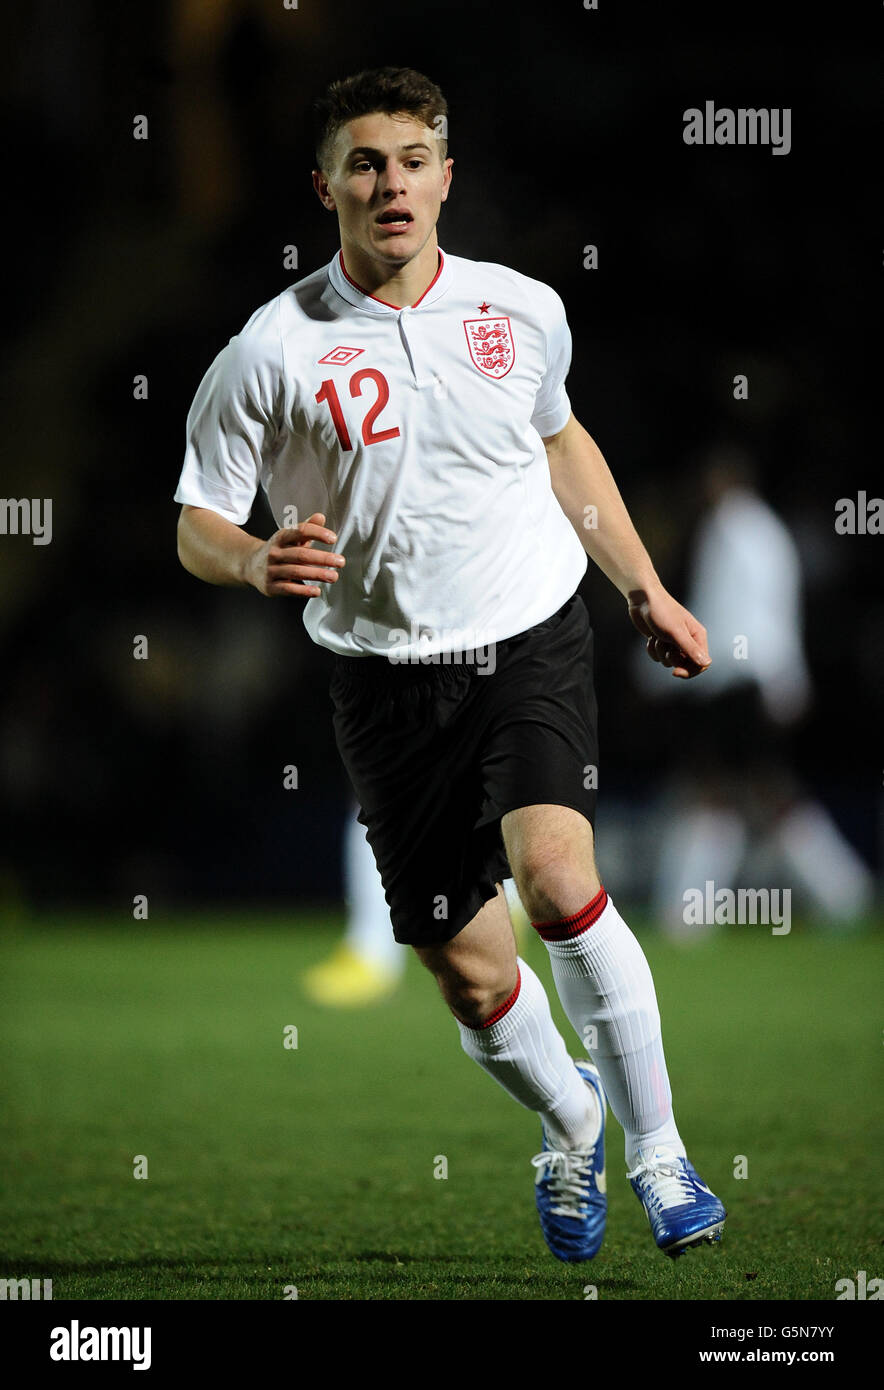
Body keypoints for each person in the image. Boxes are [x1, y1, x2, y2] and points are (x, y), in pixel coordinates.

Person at [174, 65, 725, 1262]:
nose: (390, 185)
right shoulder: (268, 351)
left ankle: (661, 1154)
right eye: (364, 162)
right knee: (470, 975)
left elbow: (560, 443)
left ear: (444, 177)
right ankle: (570, 1120)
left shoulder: (519, 310)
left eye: (412, 160)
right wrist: (252, 560)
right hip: (383, 682)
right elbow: (195, 520)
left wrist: (645, 588)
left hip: (529, 634)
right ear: (322, 183)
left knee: (557, 881)